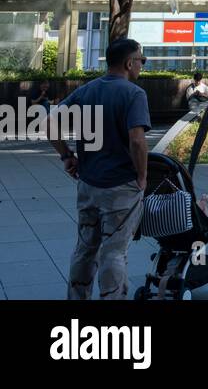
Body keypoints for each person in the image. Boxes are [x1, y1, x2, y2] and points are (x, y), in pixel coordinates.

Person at [49, 38, 151, 299]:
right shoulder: (134, 94)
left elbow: (49, 122)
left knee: (85, 248)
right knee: (114, 252)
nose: (142, 65)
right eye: (141, 60)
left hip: (88, 185)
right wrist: (142, 176)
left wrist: (66, 157)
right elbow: (137, 140)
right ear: (129, 63)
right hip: (120, 187)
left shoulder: (87, 90)